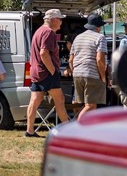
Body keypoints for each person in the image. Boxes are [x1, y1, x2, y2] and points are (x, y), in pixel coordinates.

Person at [24, 8, 70, 137]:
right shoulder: (48, 32)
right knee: (59, 99)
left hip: (36, 71)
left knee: (35, 100)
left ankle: (29, 130)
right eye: (60, 19)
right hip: (46, 72)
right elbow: (44, 52)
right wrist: (53, 70)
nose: (61, 22)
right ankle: (68, 130)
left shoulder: (39, 31)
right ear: (54, 20)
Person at [68, 13, 108, 121]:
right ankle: (76, 128)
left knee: (81, 105)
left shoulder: (78, 38)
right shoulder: (100, 37)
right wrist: (103, 77)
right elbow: (99, 59)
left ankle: (85, 128)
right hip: (91, 74)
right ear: (98, 27)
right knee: (91, 106)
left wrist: (74, 72)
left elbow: (71, 60)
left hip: (77, 74)